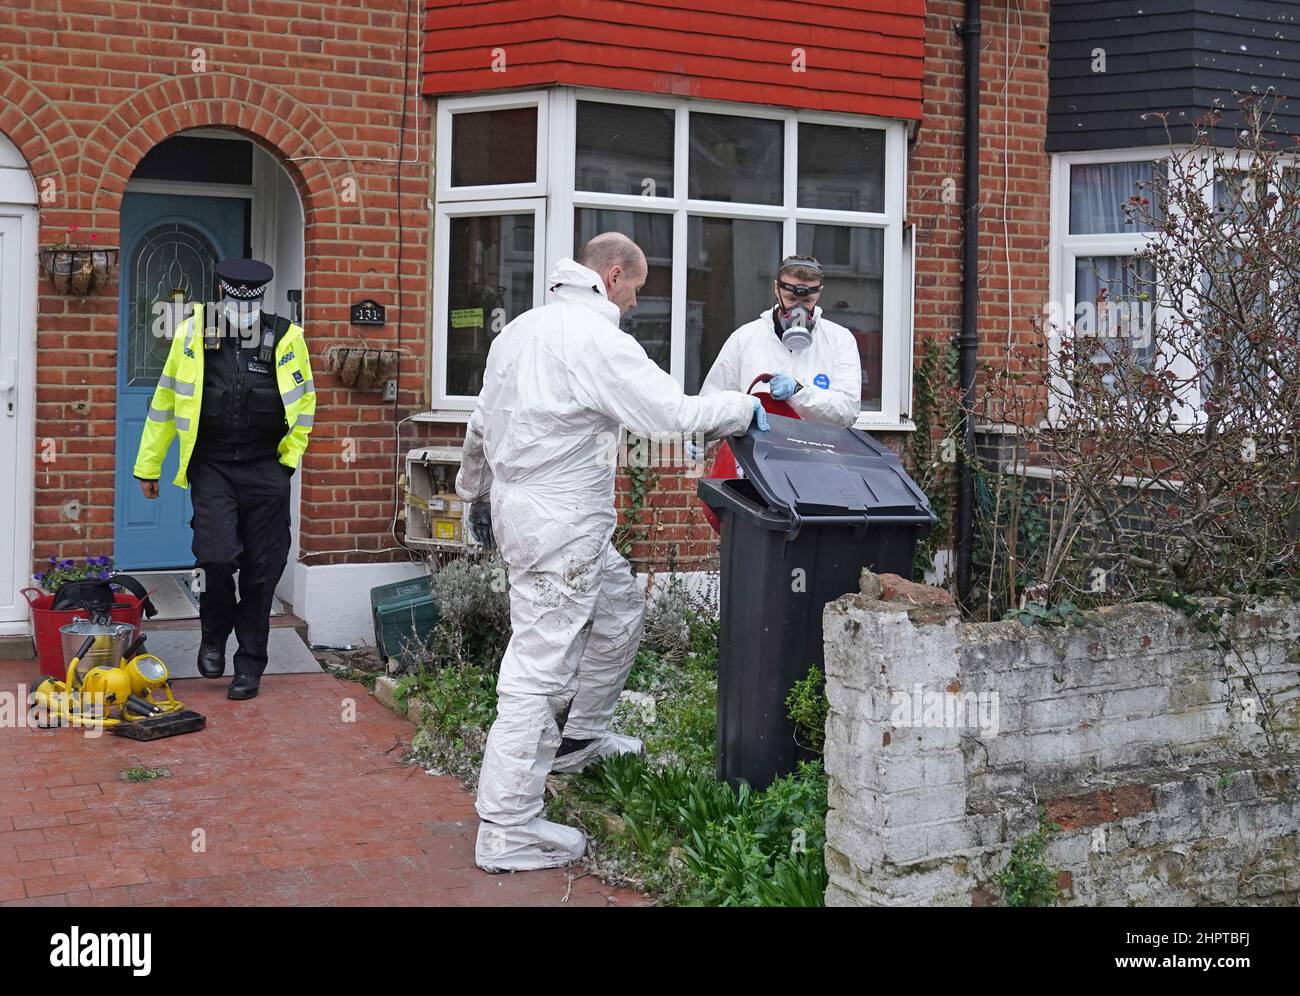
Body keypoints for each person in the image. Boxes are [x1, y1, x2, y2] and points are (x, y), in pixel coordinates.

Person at [456, 232, 769, 873]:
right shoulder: (595, 338)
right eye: (635, 291)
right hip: (562, 526)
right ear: (615, 275)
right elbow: (668, 413)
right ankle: (507, 827)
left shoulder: (516, 334)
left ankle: (582, 737)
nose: (633, 304)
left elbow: (480, 425)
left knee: (621, 605)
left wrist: (475, 496)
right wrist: (745, 407)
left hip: (535, 517)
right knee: (538, 670)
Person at [134, 258, 316, 700]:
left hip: (263, 469)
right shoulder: (193, 333)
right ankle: (213, 634)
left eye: (249, 301)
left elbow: (304, 404)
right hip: (212, 465)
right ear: (221, 292)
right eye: (235, 299)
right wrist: (149, 465)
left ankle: (250, 664)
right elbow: (165, 399)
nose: (241, 309)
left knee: (260, 571)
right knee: (215, 557)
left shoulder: (286, 336)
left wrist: (286, 464)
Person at [700, 253, 862, 427]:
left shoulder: (839, 340)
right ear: (776, 289)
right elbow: (713, 400)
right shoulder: (745, 339)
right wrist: (699, 439)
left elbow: (848, 410)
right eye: (791, 299)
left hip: (818, 451)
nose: (797, 309)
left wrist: (799, 391)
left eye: (807, 301)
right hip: (757, 451)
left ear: (819, 294)